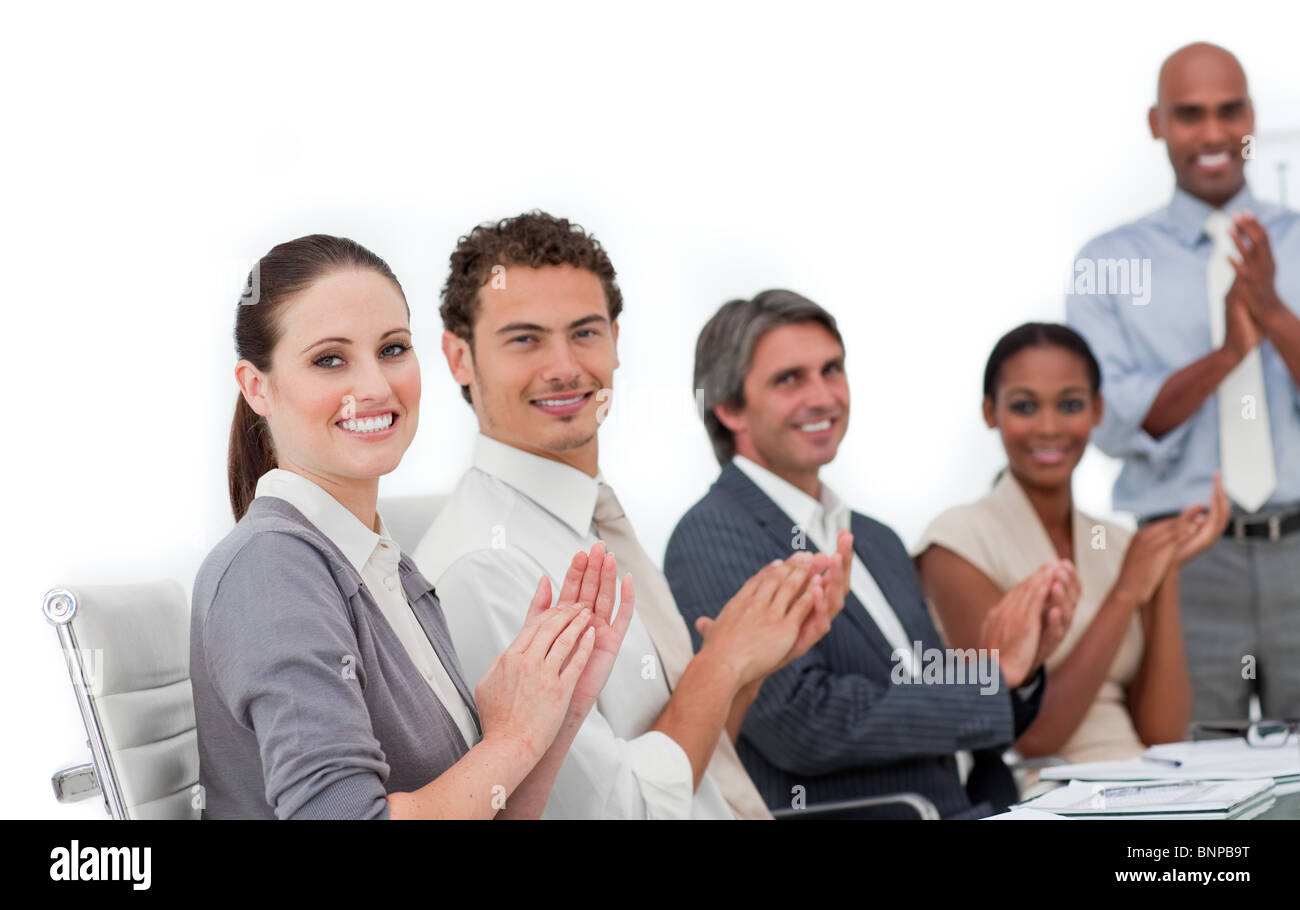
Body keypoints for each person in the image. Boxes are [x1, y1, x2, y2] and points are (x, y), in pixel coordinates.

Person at [192, 233, 634, 819]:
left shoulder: (391, 569)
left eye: (393, 349)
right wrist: (512, 738)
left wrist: (559, 711)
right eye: (330, 359)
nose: (375, 386)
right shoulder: (272, 568)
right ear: (257, 387)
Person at [414, 212, 837, 820]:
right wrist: (720, 665)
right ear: (459, 357)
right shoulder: (488, 567)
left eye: (584, 333)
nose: (564, 367)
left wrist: (747, 663)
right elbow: (621, 812)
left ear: (615, 337)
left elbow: (682, 768)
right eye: (525, 339)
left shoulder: (593, 520)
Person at [664, 290, 1071, 819]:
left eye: (831, 370)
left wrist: (1015, 667)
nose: (823, 396)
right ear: (728, 408)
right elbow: (805, 723)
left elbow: (927, 684)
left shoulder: (873, 538)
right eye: (790, 379)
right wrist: (993, 683)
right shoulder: (713, 535)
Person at [1066, 42, 1300, 722]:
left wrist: (1274, 311)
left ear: (1252, 116)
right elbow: (1112, 424)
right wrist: (1229, 351)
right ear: (1156, 123)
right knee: (1189, 773)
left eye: (1230, 112)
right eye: (1189, 115)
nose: (1213, 135)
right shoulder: (1107, 263)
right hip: (1185, 559)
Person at [915, 323, 1229, 772]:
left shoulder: (1119, 544)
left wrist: (1165, 576)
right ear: (990, 412)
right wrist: (1125, 594)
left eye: (1070, 405)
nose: (1048, 427)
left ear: (1098, 411)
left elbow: (1163, 734)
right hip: (1044, 789)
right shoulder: (956, 541)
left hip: (1148, 779)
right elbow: (1031, 736)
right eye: (1024, 406)